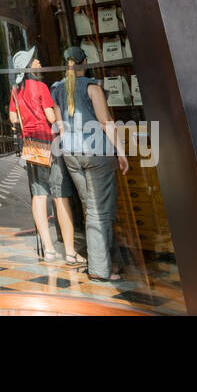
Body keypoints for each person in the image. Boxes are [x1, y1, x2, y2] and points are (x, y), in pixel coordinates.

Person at [51, 46, 129, 281]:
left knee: (95, 209)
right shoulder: (92, 87)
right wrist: (121, 152)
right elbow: (106, 122)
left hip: (71, 154)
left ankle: (112, 262)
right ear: (85, 61)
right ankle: (99, 269)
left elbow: (60, 126)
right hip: (96, 153)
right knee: (99, 211)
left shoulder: (56, 89)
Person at [8, 47, 78, 264]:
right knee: (59, 195)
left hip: (31, 144)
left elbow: (12, 119)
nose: (38, 61)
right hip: (48, 141)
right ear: (29, 67)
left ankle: (48, 249)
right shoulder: (41, 87)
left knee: (39, 196)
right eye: (34, 60)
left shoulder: (15, 90)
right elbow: (50, 116)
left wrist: (27, 120)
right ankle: (69, 251)